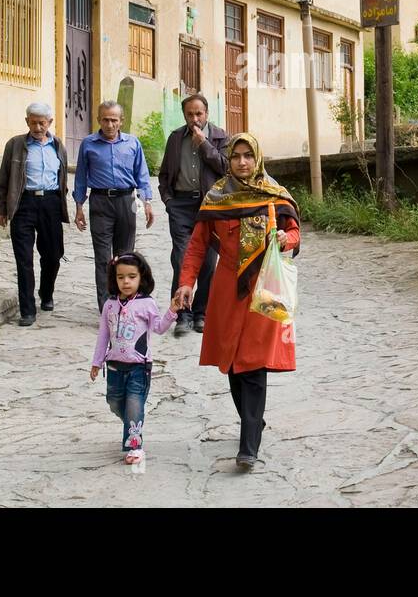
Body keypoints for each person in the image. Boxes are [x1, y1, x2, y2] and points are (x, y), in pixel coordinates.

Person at [177, 132, 300, 471]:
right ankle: (252, 422)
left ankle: (249, 444)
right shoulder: (217, 198)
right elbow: (198, 245)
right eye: (236, 156)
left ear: (257, 158)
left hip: (265, 286)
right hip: (227, 288)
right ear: (228, 160)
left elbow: (295, 232)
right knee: (232, 363)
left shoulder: (275, 195)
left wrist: (284, 239)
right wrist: (186, 283)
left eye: (248, 156)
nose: (243, 162)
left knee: (253, 362)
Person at [90, 252, 180, 465]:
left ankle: (135, 446)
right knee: (113, 402)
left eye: (131, 276)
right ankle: (132, 424)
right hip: (113, 365)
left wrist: (172, 311)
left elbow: (158, 328)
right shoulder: (109, 305)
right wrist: (97, 361)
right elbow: (103, 334)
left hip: (139, 366)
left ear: (142, 278)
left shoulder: (147, 304)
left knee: (133, 405)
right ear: (115, 279)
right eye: (121, 277)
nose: (126, 281)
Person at [73, 101, 155, 314]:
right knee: (102, 258)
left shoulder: (133, 144)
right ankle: (107, 308)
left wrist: (147, 202)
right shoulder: (89, 144)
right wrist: (79, 206)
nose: (109, 124)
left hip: (126, 201)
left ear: (121, 121)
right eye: (105, 119)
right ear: (99, 119)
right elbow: (81, 177)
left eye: (114, 120)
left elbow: (142, 175)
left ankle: (125, 305)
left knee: (125, 256)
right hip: (100, 202)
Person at [158, 93, 229, 336]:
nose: (195, 118)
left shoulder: (220, 137)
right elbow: (165, 174)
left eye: (199, 113)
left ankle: (201, 312)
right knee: (181, 259)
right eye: (190, 114)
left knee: (209, 263)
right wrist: (168, 200)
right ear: (185, 115)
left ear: (207, 114)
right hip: (180, 206)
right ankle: (182, 315)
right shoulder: (176, 138)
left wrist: (204, 144)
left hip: (209, 207)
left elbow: (226, 168)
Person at [0, 103, 70, 327]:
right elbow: (3, 178)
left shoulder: (58, 146)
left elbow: (63, 177)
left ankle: (46, 294)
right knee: (24, 259)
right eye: (33, 122)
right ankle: (27, 310)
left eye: (42, 123)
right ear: (27, 121)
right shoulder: (15, 145)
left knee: (53, 255)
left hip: (51, 203)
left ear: (50, 123)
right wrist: (1, 209)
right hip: (23, 203)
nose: (38, 127)